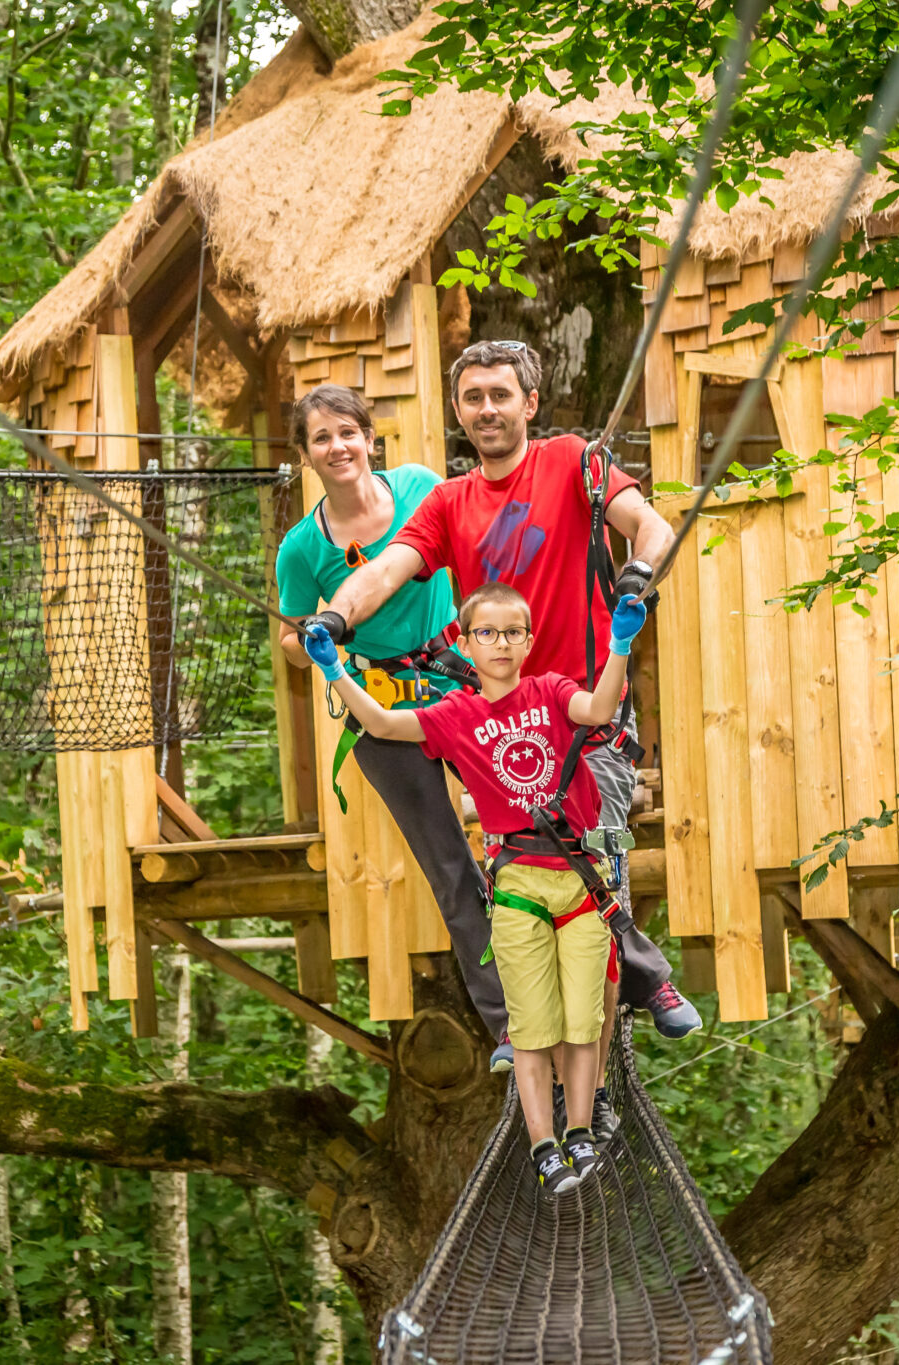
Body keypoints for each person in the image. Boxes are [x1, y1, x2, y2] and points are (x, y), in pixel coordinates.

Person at [298, 340, 702, 1064]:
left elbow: (652, 523)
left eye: (500, 394)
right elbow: (388, 569)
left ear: (530, 403)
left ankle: (630, 1017)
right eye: (473, 397)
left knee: (587, 858)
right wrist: (338, 617)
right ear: (458, 410)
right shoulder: (449, 502)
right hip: (502, 715)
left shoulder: (573, 462)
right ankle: (568, 1043)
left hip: (581, 708)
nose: (487, 408)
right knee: (521, 881)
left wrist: (638, 571)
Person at [305, 581, 649, 1193]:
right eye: (486, 633)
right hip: (519, 883)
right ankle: (544, 1148)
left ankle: (580, 1134)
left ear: (528, 641)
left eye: (513, 632)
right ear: (465, 643)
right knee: (530, 1026)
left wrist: (620, 644)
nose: (500, 643)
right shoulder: (455, 715)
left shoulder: (549, 692)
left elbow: (598, 711)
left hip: (579, 882)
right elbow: (382, 722)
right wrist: (333, 669)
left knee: (584, 1014)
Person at [273, 385, 516, 1068]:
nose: (338, 447)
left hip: (458, 676)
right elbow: (293, 636)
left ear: (370, 439)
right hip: (382, 702)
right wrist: (324, 649)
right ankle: (506, 1024)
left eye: (348, 432)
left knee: (530, 823)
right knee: (447, 863)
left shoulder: (418, 488)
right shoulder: (302, 547)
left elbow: (471, 546)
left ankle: (584, 979)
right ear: (306, 456)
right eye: (322, 438)